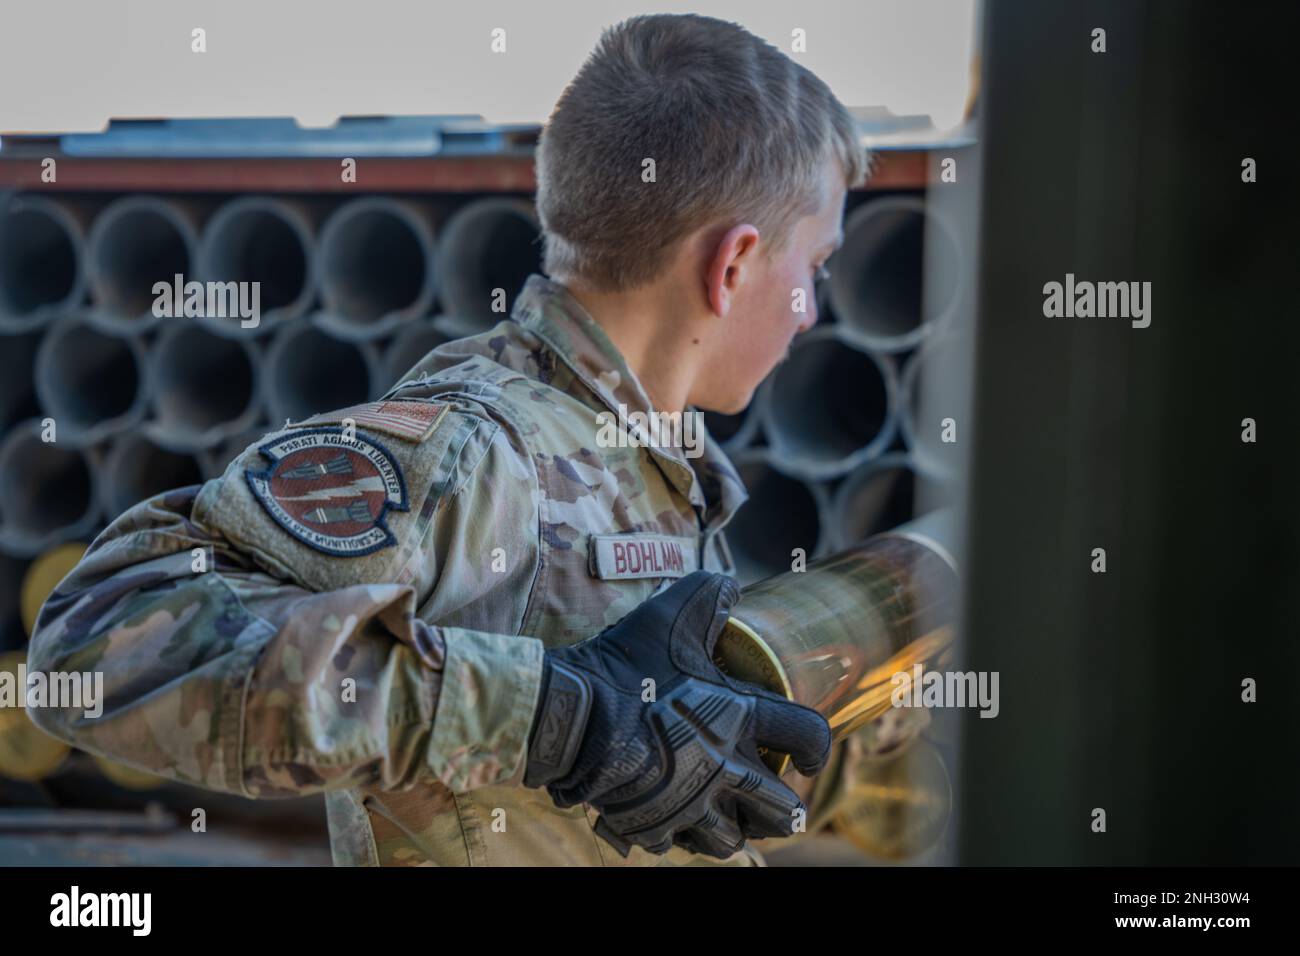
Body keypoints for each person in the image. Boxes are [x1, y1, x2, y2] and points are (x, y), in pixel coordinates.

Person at [27, 12, 869, 866]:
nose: (814, 307)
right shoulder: (473, 450)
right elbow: (92, 648)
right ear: (733, 266)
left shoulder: (656, 468)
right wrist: (557, 719)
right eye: (817, 266)